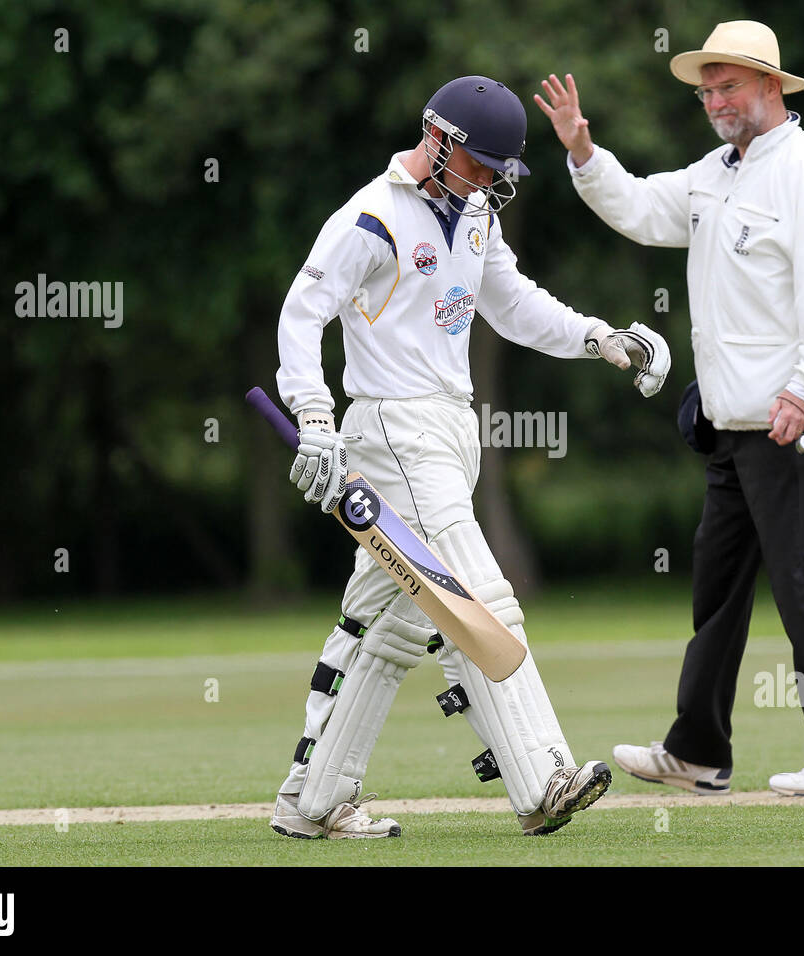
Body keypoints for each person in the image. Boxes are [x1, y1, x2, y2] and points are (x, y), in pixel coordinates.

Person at [270, 75, 672, 838]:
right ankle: (541, 776)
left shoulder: (476, 211)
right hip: (392, 430)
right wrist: (315, 415)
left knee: (384, 625)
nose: (490, 179)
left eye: (498, 169)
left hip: (452, 431)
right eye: (481, 163)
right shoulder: (374, 215)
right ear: (439, 140)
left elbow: (514, 303)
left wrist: (598, 337)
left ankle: (311, 800)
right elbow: (303, 311)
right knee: (478, 599)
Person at [535, 21, 804, 796]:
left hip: (793, 420)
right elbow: (635, 208)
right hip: (733, 428)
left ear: (772, 85)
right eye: (707, 90)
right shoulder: (713, 175)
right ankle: (698, 749)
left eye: (730, 85)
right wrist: (583, 155)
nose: (716, 101)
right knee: (716, 593)